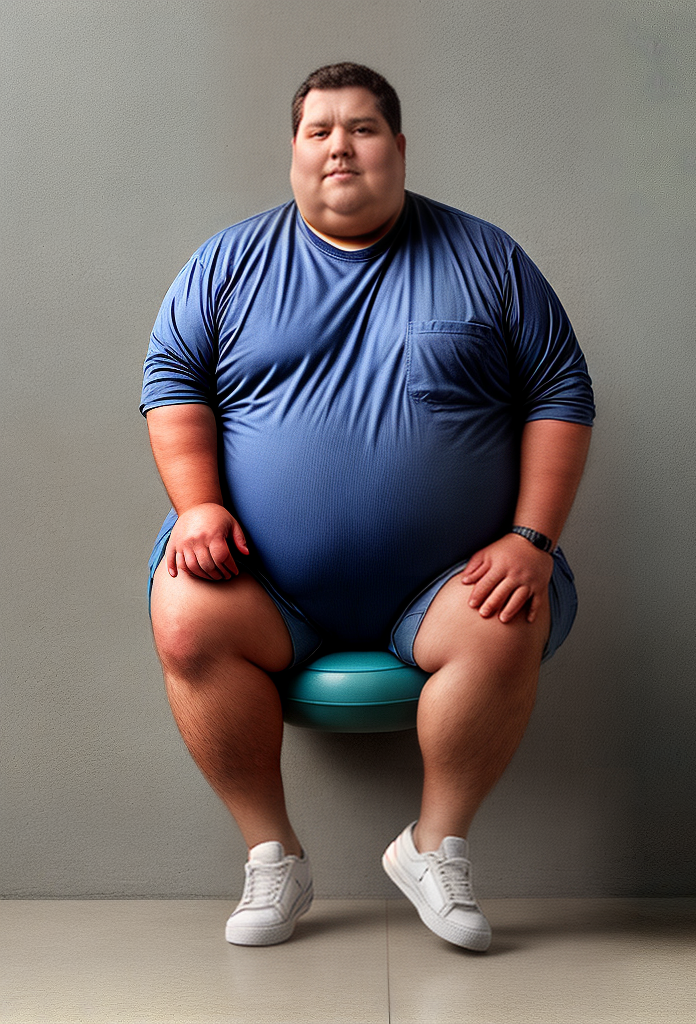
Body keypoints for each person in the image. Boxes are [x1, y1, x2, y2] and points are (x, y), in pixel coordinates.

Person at [141, 62, 594, 953]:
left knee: (508, 615)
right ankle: (273, 858)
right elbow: (171, 381)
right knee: (186, 618)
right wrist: (194, 507)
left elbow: (561, 394)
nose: (340, 146)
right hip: (264, 583)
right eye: (320, 130)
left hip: (445, 582)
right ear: (296, 151)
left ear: (398, 146)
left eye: (362, 128)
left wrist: (533, 537)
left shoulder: (487, 257)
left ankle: (435, 848)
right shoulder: (228, 262)